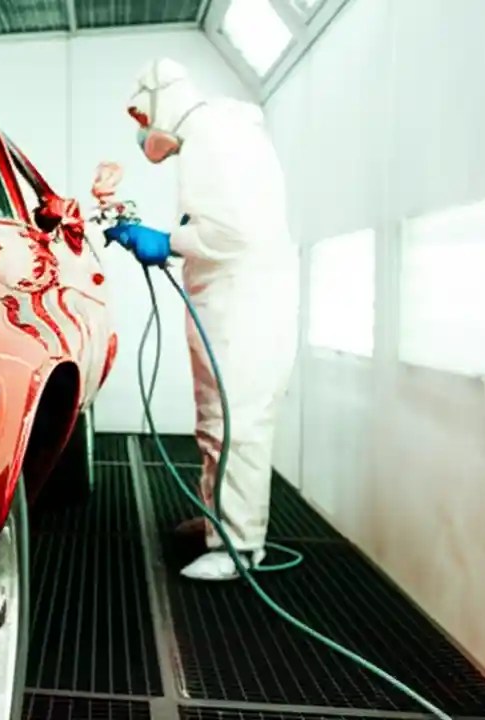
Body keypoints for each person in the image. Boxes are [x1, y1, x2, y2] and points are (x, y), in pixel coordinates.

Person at [103, 58, 300, 581]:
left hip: (246, 310)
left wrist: (166, 242)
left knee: (238, 426)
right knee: (216, 422)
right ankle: (219, 522)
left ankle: (239, 547)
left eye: (139, 115)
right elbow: (217, 225)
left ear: (160, 96)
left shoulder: (213, 134)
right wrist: (168, 239)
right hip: (227, 304)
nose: (141, 130)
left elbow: (235, 234)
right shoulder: (209, 136)